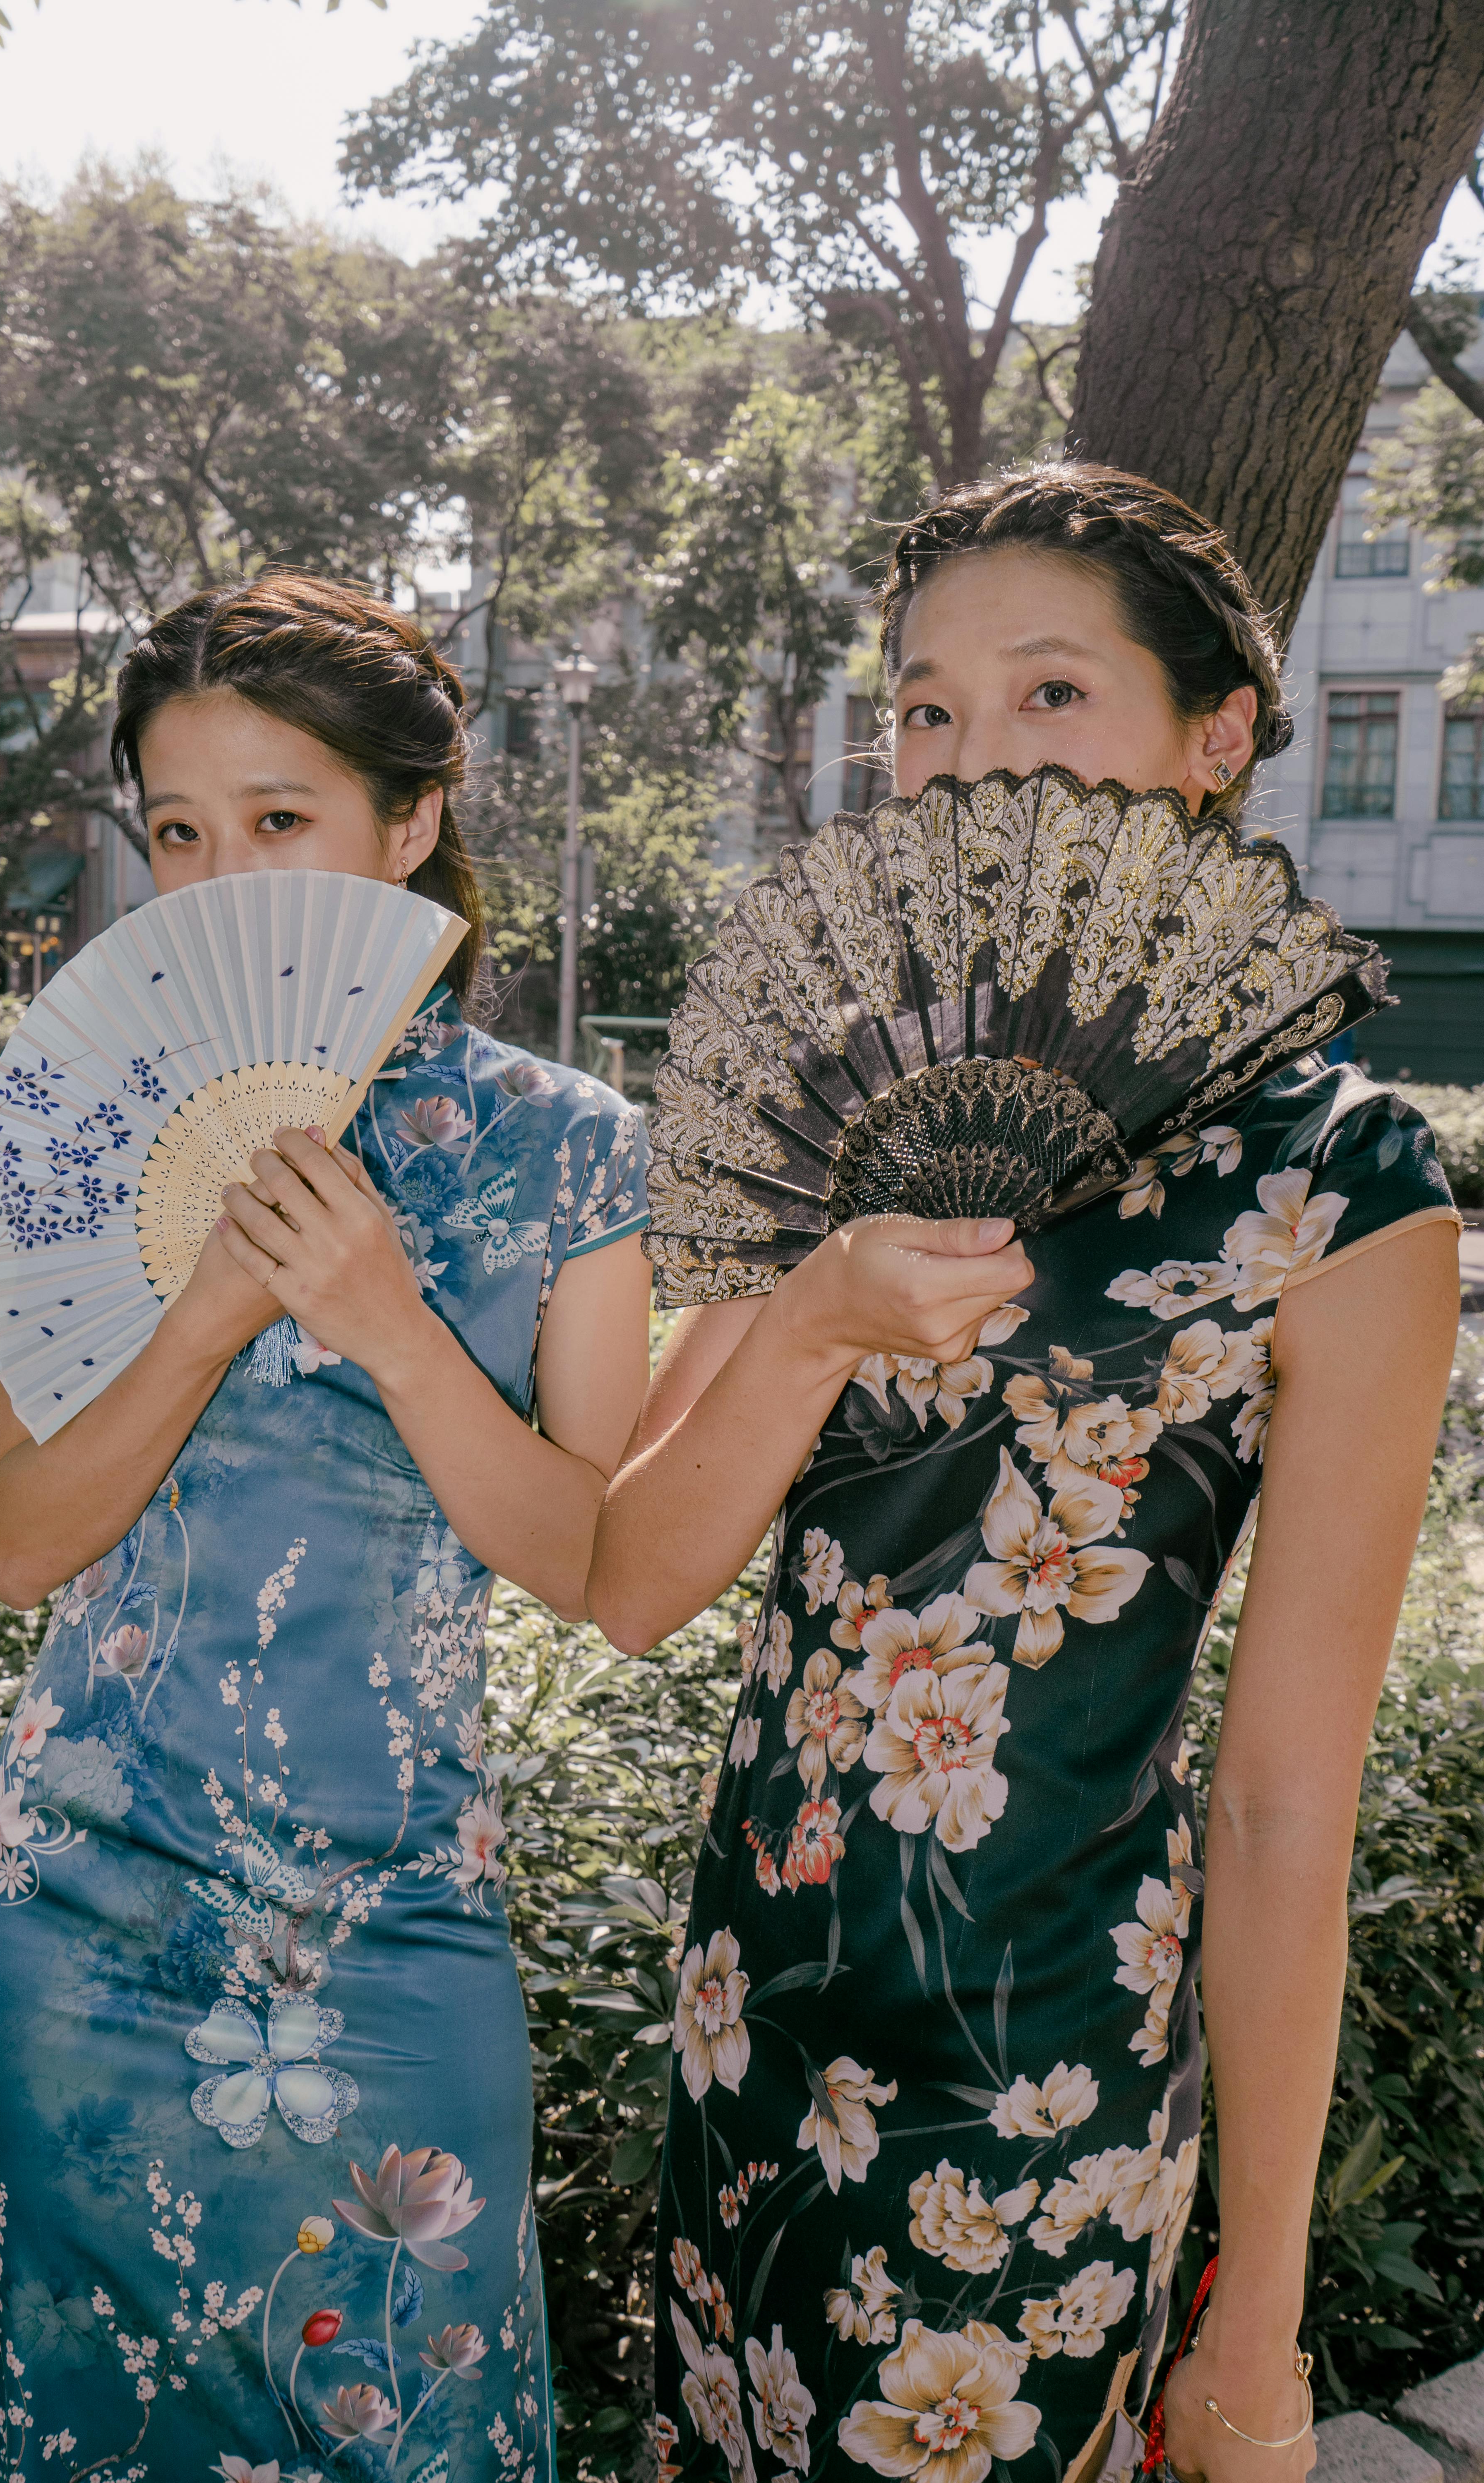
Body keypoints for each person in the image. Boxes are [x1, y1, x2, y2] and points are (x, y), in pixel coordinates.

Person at [588, 466, 1461, 2483]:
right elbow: (632, 1584)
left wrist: (1262, 2324)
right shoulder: (833, 1111)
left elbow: (1276, 1804)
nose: (968, 761)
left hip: (1033, 2083)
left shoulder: (1343, 1180)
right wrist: (806, 1315)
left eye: (1049, 695)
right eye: (920, 709)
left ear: (1217, 737)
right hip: (753, 2021)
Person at [0, 574, 652, 2483]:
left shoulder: (565, 1143)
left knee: (410, 2426)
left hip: (394, 1925)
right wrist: (204, 1314)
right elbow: (18, 1547)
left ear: (409, 825)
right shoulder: (90, 1113)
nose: (221, 874)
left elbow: (596, 1558)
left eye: (280, 819)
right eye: (179, 830)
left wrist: (388, 1326)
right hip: (78, 1917)